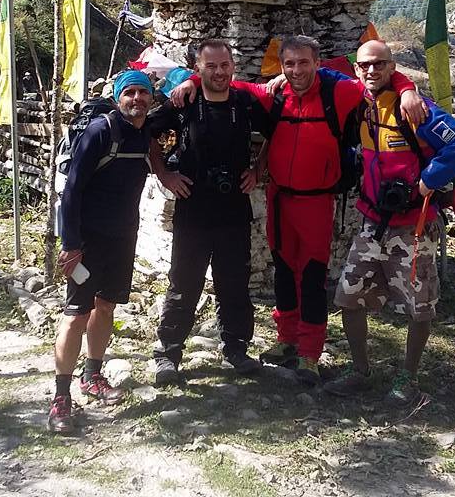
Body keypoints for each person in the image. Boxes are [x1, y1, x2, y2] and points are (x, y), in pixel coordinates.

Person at [172, 34, 426, 386]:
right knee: (283, 272)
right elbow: (225, 80)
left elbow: (376, 77)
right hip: (280, 197)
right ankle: (286, 339)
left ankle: (310, 353)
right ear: (281, 66)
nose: (296, 70)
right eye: (289, 64)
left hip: (316, 201)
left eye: (303, 63)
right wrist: (192, 79)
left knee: (311, 276)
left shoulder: (337, 92)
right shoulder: (273, 94)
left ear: (317, 63)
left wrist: (408, 87)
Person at [326, 39, 455, 403]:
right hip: (372, 222)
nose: (371, 71)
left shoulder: (415, 109)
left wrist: (428, 181)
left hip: (414, 225)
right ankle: (360, 370)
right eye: (364, 65)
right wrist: (282, 79)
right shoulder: (360, 104)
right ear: (356, 68)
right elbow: (318, 72)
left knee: (419, 305)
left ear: (393, 67)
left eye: (379, 64)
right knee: (348, 297)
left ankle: (407, 378)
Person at [148, 39, 269, 385]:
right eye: (211, 66)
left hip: (233, 209)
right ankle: (168, 354)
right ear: (197, 69)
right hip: (194, 209)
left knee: (235, 283)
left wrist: (258, 169)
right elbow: (148, 134)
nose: (218, 72)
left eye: (224, 65)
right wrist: (165, 174)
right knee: (184, 284)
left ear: (233, 67)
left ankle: (236, 349)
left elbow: (278, 129)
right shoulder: (185, 101)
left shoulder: (245, 102)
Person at [47, 70, 154, 434]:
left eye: (143, 93)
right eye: (130, 93)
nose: (136, 99)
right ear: (118, 97)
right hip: (88, 240)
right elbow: (72, 191)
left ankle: (92, 375)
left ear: (151, 99)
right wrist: (70, 245)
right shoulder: (99, 132)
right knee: (77, 314)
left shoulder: (144, 131)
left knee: (106, 306)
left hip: (123, 237)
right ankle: (61, 396)